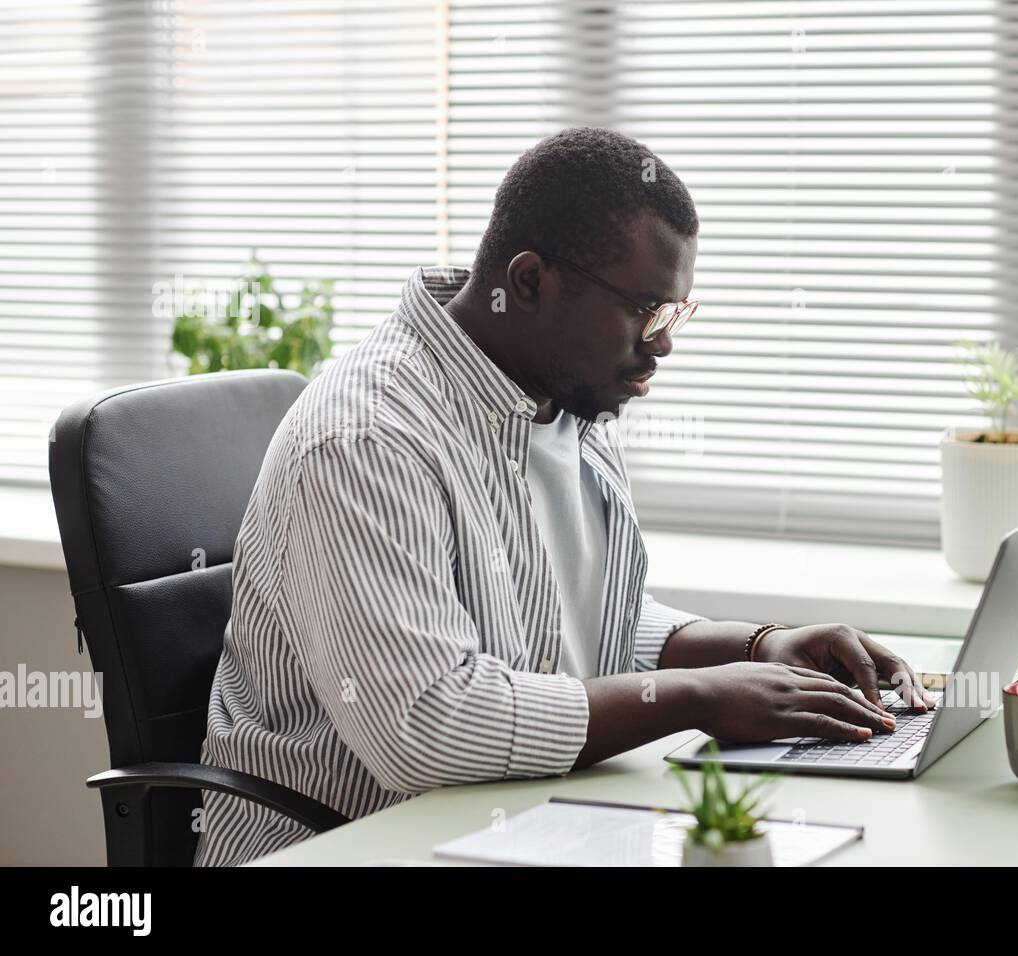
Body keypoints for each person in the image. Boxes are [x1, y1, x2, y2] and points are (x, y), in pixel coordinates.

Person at [194, 127, 933, 866]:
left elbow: (572, 619)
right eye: (646, 308)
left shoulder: (561, 398)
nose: (663, 342)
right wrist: (702, 697)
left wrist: (758, 646)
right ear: (529, 282)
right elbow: (426, 724)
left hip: (529, 826)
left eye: (674, 313)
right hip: (354, 846)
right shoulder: (366, 440)